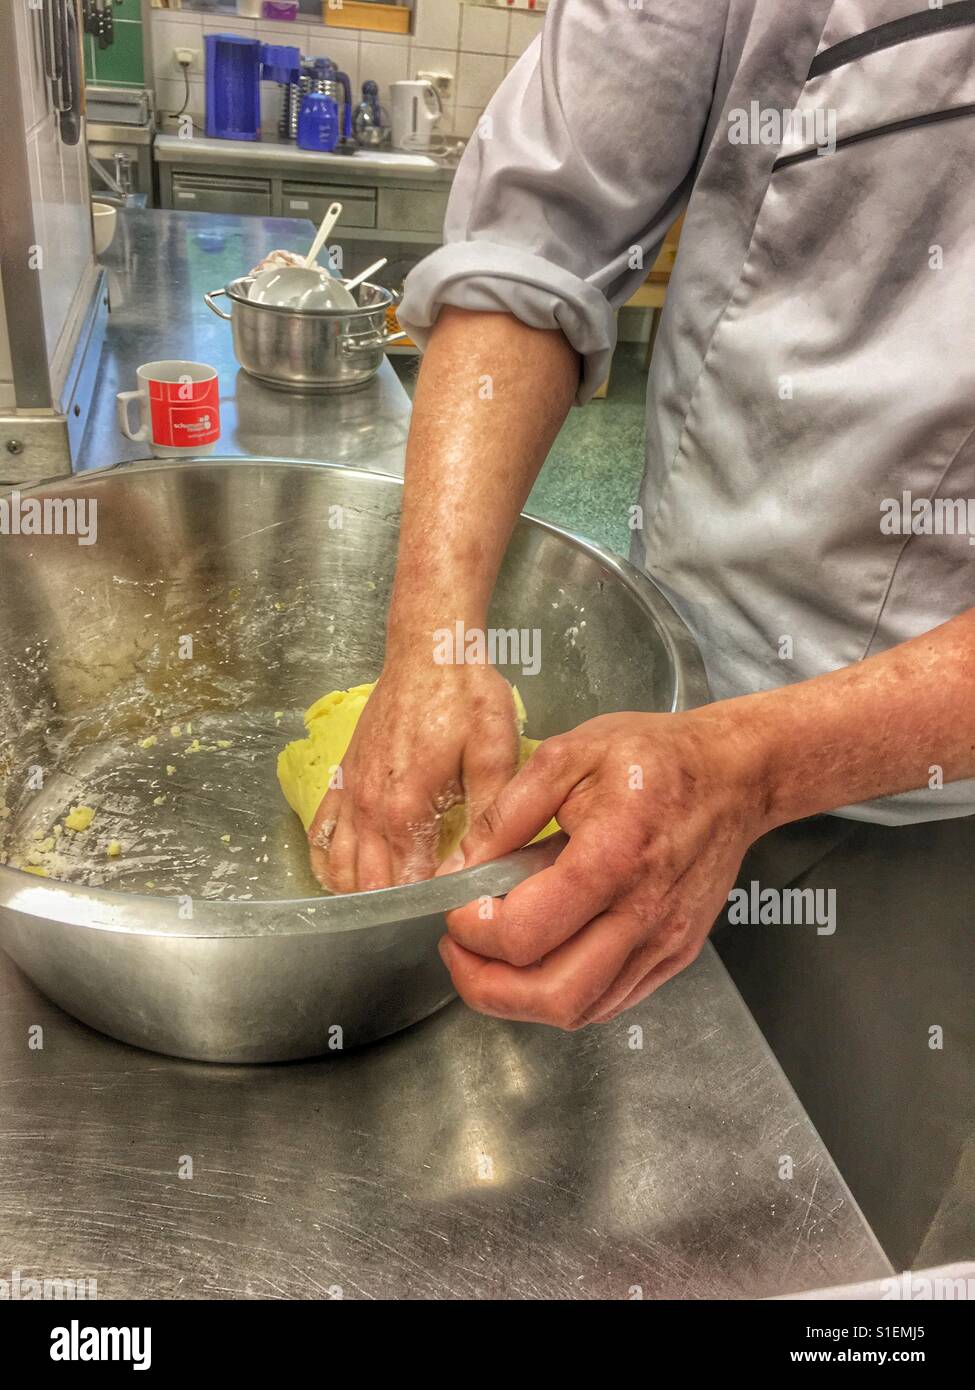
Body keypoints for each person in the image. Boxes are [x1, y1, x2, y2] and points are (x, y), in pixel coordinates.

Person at [307, 0, 975, 1043]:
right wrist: (432, 634)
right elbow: (535, 241)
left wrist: (758, 767)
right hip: (654, 707)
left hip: (931, 797)